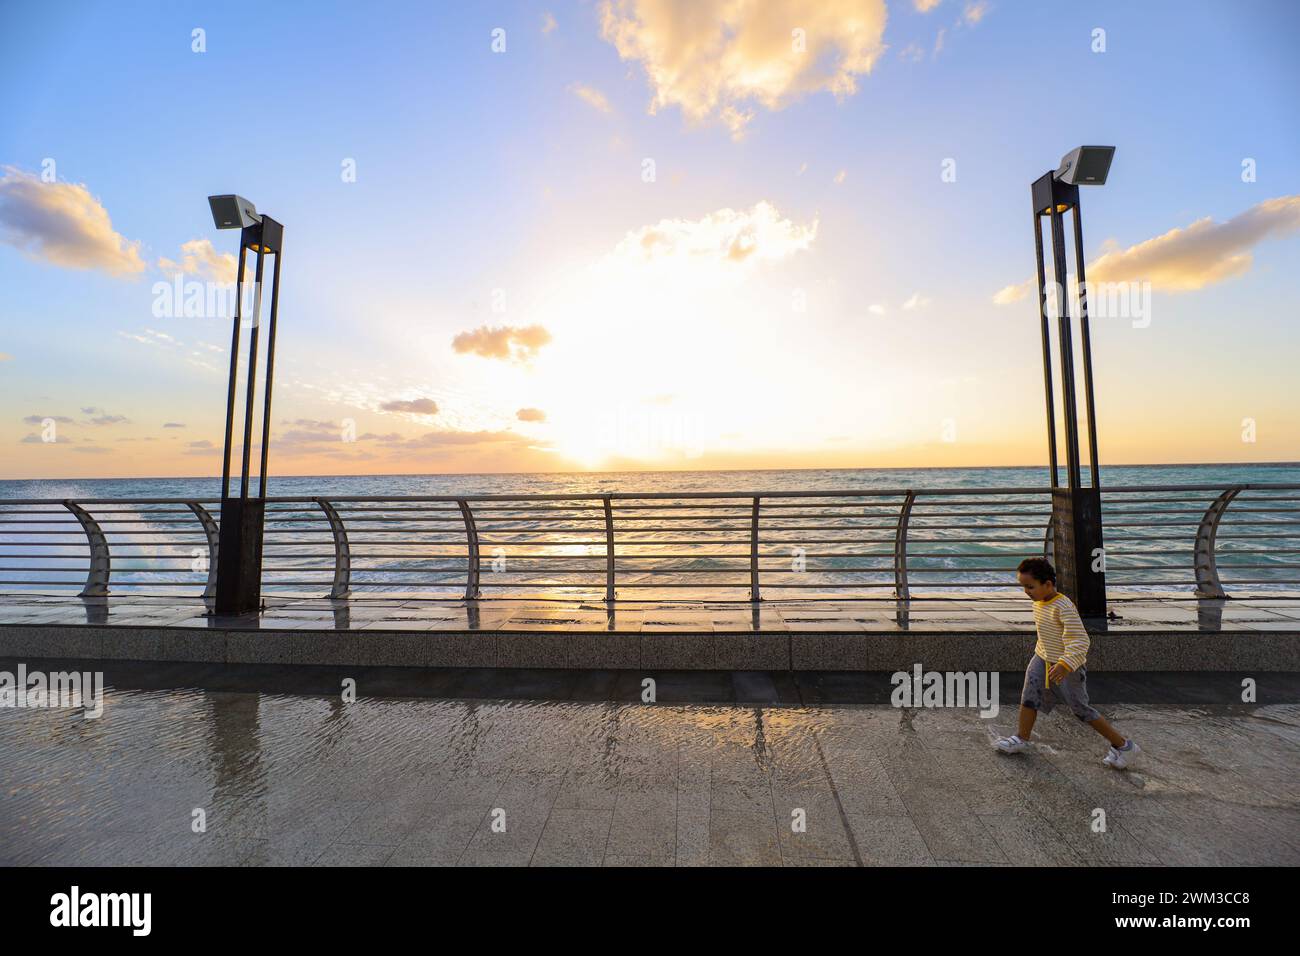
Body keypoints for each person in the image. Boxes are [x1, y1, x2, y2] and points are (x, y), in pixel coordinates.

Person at [994, 557, 1140, 769]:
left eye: (1030, 586)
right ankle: (1021, 738)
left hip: (1067, 666)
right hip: (1042, 658)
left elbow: (1081, 640)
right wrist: (1045, 656)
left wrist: (1064, 663)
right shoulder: (1040, 602)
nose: (1026, 591)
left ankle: (1124, 746)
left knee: (1081, 709)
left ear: (1048, 584)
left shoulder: (1063, 607)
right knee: (1029, 697)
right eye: (1023, 586)